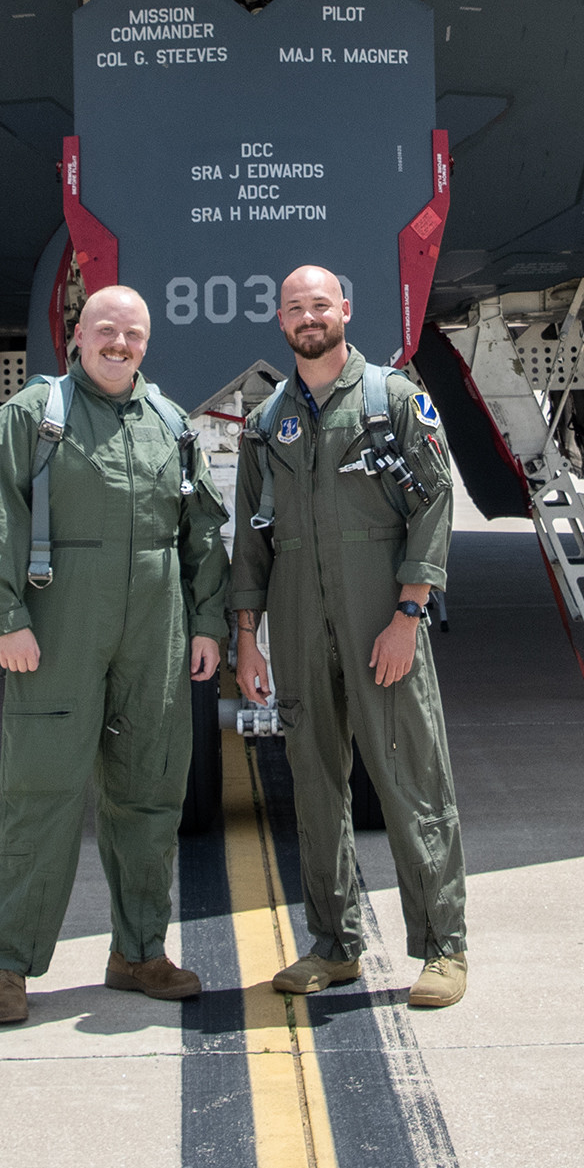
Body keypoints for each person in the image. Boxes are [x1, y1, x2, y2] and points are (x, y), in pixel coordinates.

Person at [0, 285, 229, 1026]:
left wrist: (207, 623)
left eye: (133, 333)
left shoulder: (171, 425)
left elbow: (202, 531)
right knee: (39, 796)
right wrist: (7, 619)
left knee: (149, 798)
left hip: (156, 628)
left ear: (147, 342)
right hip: (57, 627)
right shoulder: (32, 417)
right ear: (77, 335)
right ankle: (9, 965)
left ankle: (139, 951)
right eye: (106, 330)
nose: (120, 344)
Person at [231, 265, 469, 1009]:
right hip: (299, 619)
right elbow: (252, 536)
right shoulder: (266, 420)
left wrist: (408, 614)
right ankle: (332, 946)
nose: (309, 317)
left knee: (411, 779)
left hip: (379, 620)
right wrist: (247, 636)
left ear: (346, 310)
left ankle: (442, 947)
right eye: (296, 307)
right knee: (314, 786)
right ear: (280, 319)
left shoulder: (392, 400)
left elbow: (432, 505)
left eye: (320, 304)